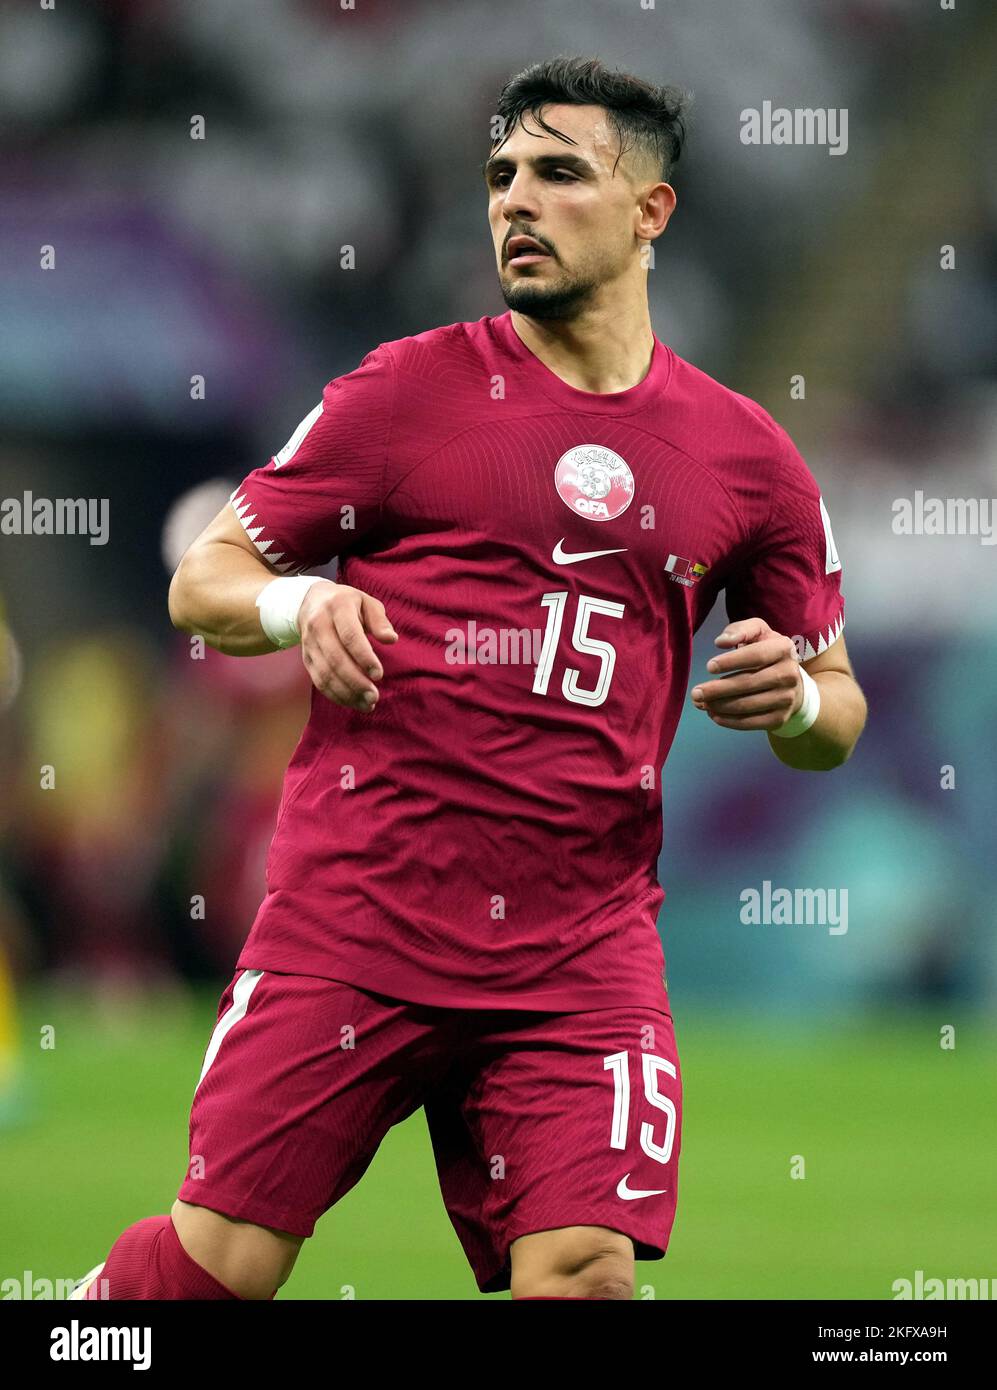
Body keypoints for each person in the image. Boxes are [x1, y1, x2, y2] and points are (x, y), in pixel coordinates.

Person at [71, 54, 866, 1302]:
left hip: (580, 946)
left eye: (557, 173)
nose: (514, 201)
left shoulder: (746, 457)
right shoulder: (403, 394)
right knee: (223, 1265)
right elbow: (203, 581)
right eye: (500, 176)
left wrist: (800, 701)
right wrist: (300, 598)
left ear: (651, 211)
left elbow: (837, 710)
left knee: (587, 1274)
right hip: (360, 918)